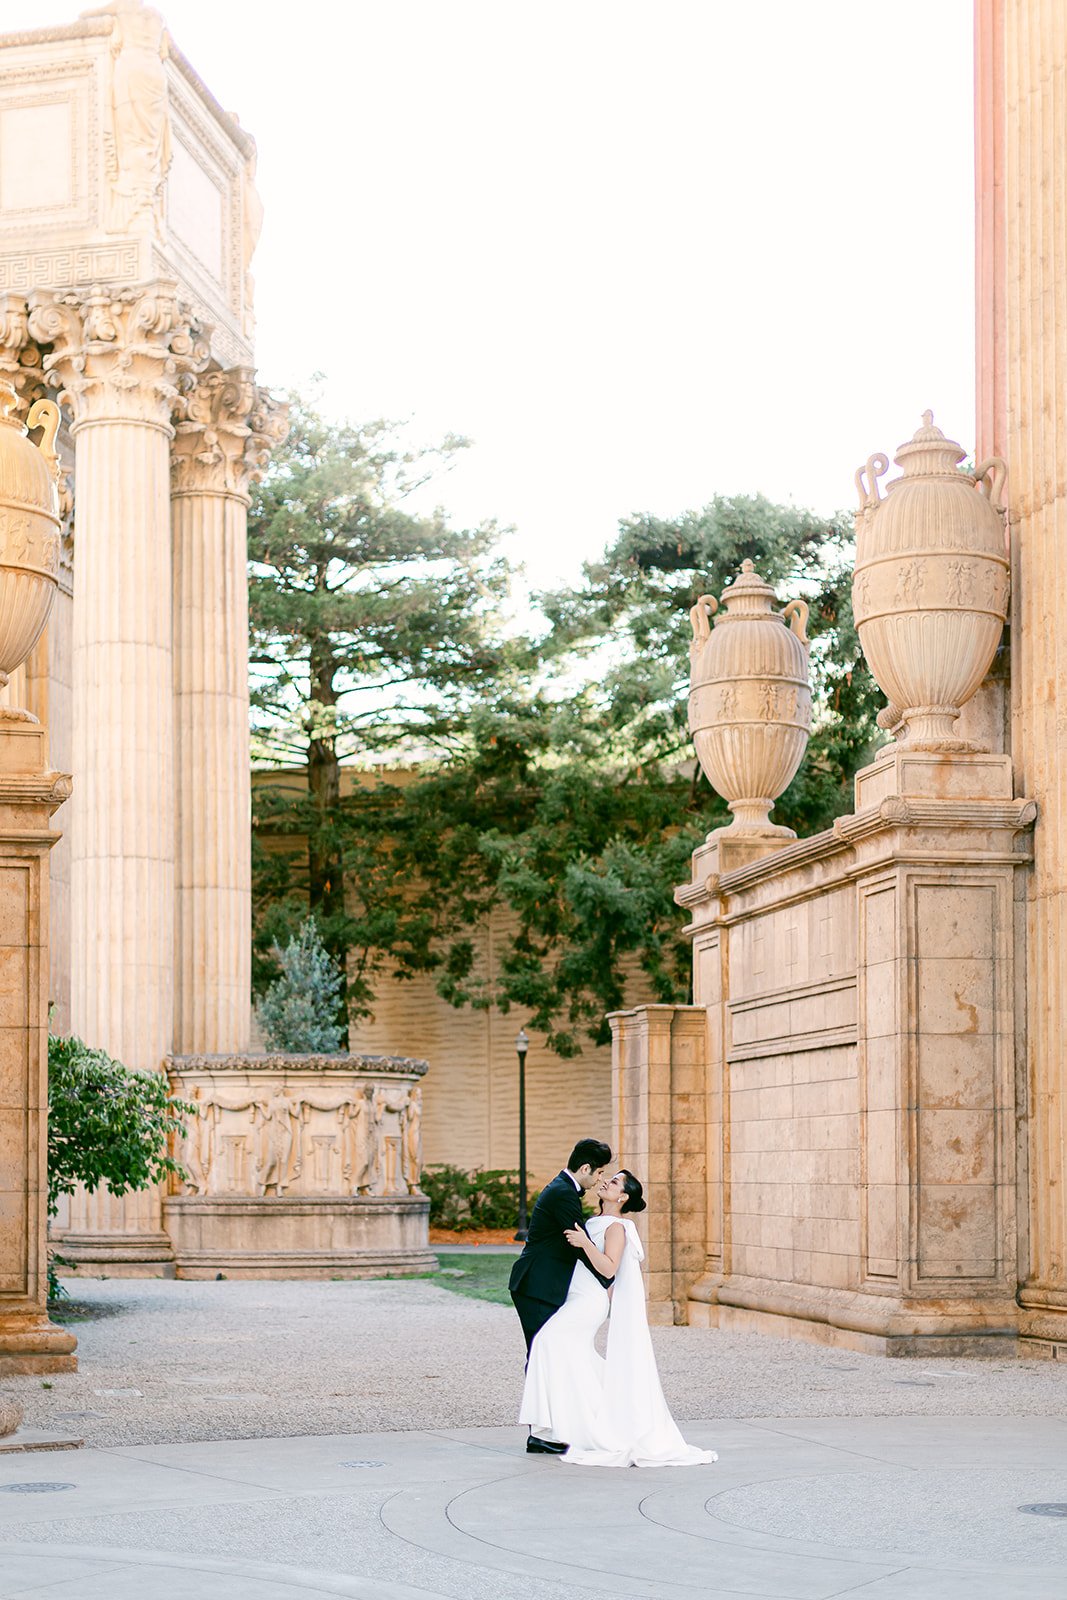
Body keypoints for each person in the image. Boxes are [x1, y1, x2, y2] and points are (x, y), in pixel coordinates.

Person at [520, 1169, 718, 1469]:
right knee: (570, 1355)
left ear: (622, 1197)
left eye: (614, 1182)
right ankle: (575, 1422)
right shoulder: (595, 1220)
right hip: (575, 1297)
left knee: (548, 1342)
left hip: (588, 1302)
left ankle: (565, 1426)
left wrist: (585, 1243)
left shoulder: (617, 1227)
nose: (606, 1182)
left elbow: (609, 1269)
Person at [509, 1137, 612, 1453]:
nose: (598, 1181)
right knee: (540, 1354)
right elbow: (577, 1244)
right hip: (536, 1287)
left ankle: (548, 1429)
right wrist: (606, 1277)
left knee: (546, 1354)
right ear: (584, 1168)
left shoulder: (562, 1189)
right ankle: (541, 1433)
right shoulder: (562, 1194)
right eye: (598, 1173)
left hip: (543, 1286)